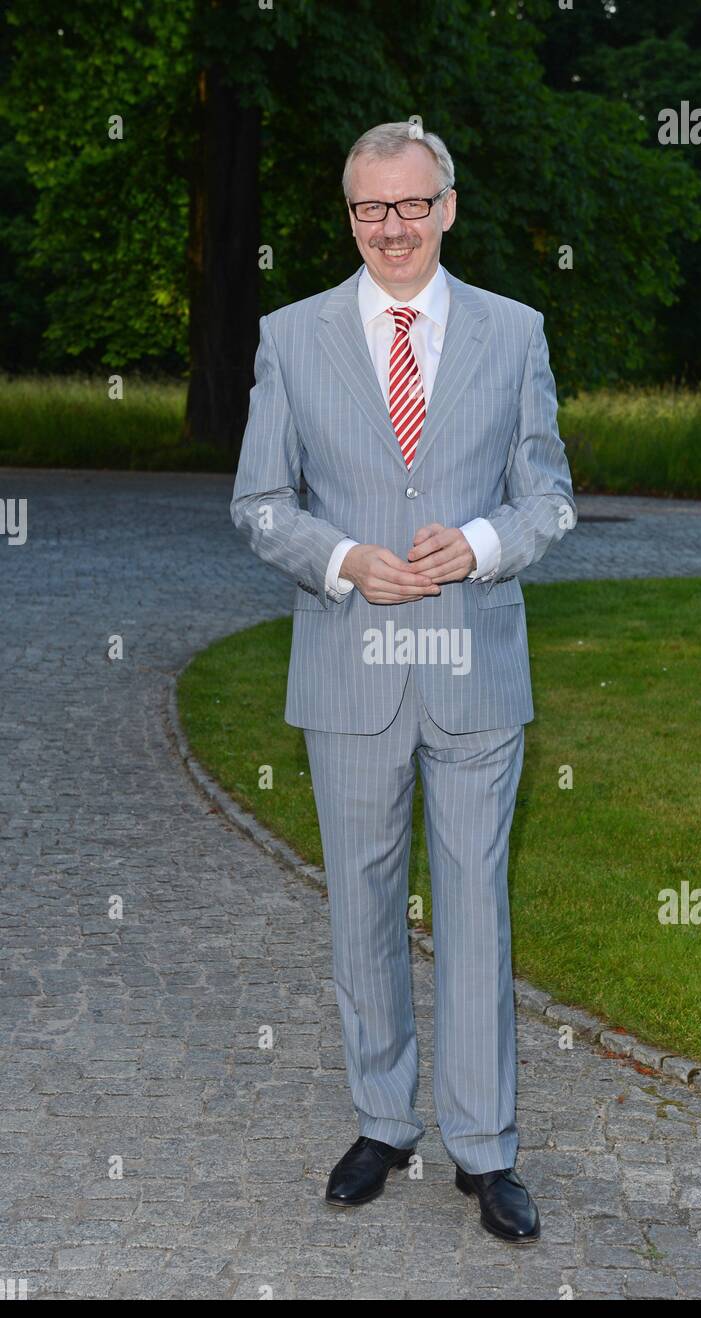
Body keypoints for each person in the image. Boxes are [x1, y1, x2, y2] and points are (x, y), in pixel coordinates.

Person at [230, 118, 576, 1243]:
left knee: (475, 910)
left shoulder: (513, 332)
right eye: (371, 208)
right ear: (350, 217)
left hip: (475, 664)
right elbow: (259, 504)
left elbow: (549, 500)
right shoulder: (291, 337)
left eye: (411, 204)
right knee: (362, 912)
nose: (392, 227)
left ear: (447, 206)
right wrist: (338, 562)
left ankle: (486, 1150)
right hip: (349, 669)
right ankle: (383, 1121)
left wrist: (478, 543)